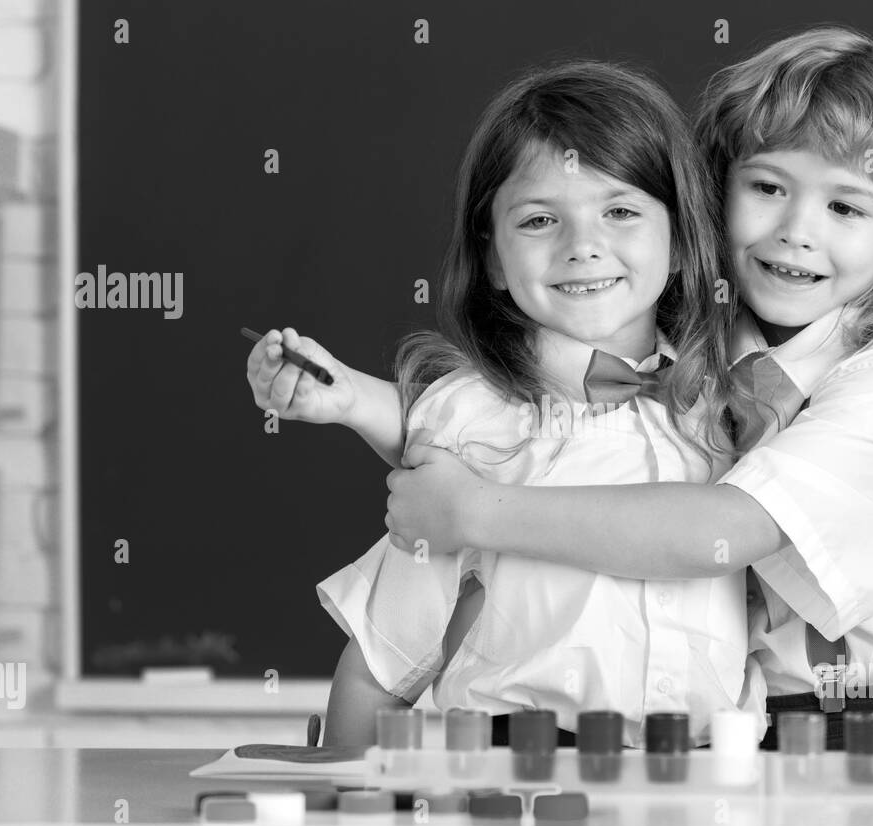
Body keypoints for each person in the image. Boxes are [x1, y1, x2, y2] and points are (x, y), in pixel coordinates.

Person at [382, 27, 873, 751]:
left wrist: (472, 511)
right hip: (755, 732)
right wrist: (356, 402)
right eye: (768, 188)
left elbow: (722, 531)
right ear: (709, 196)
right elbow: (511, 417)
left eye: (847, 207)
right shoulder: (694, 356)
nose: (797, 231)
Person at [247, 60, 761, 751]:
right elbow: (386, 652)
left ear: (679, 242)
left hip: (709, 774)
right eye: (541, 219)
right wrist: (344, 793)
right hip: (515, 768)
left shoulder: (732, 403)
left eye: (620, 210)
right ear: (491, 259)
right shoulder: (468, 423)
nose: (583, 246)